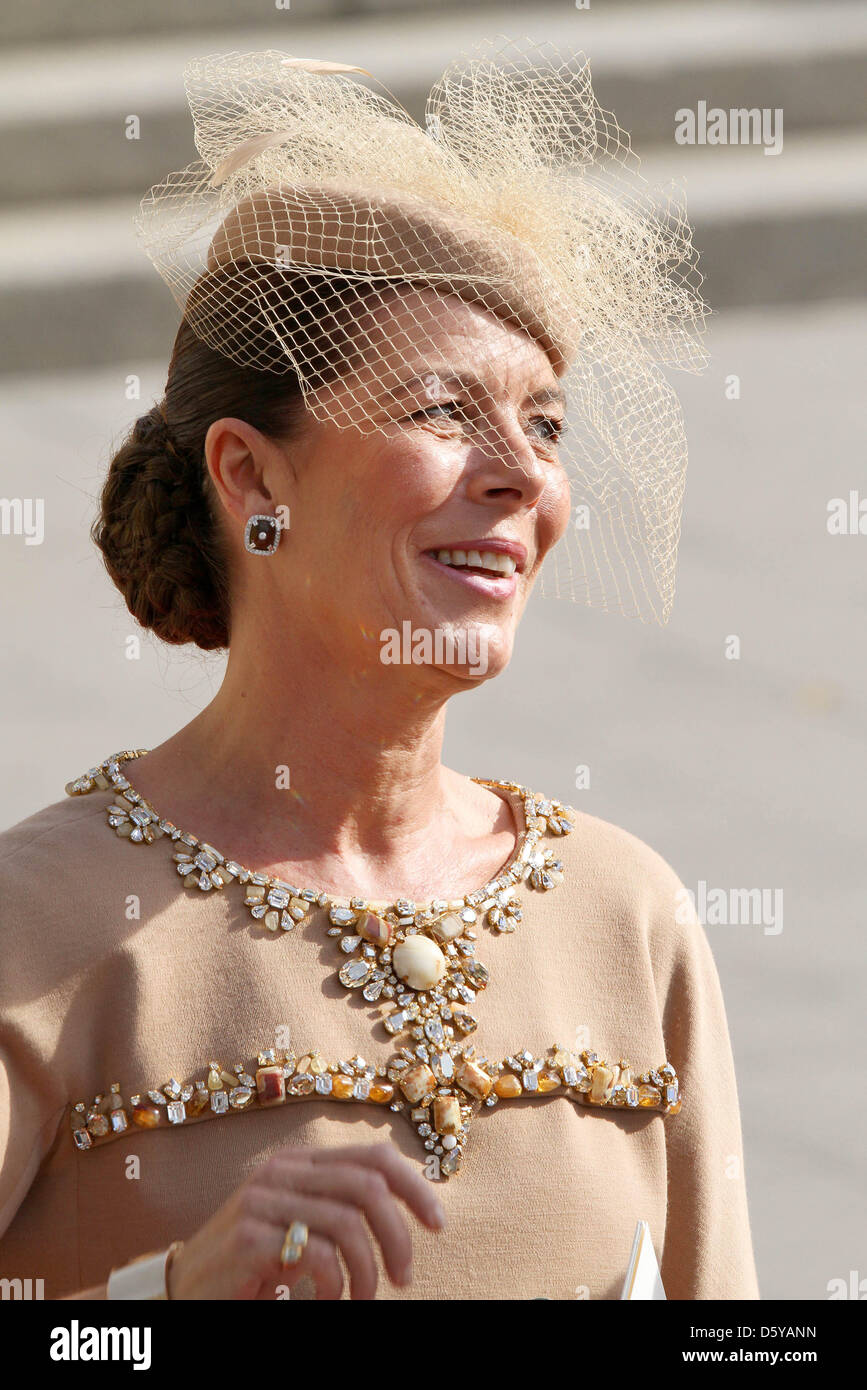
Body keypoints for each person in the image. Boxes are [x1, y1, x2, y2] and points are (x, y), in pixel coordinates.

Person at [0, 41, 759, 1300]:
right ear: (252, 478)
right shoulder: (42, 924)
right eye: (446, 410)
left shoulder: (628, 914)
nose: (522, 473)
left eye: (547, 424)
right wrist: (164, 1304)